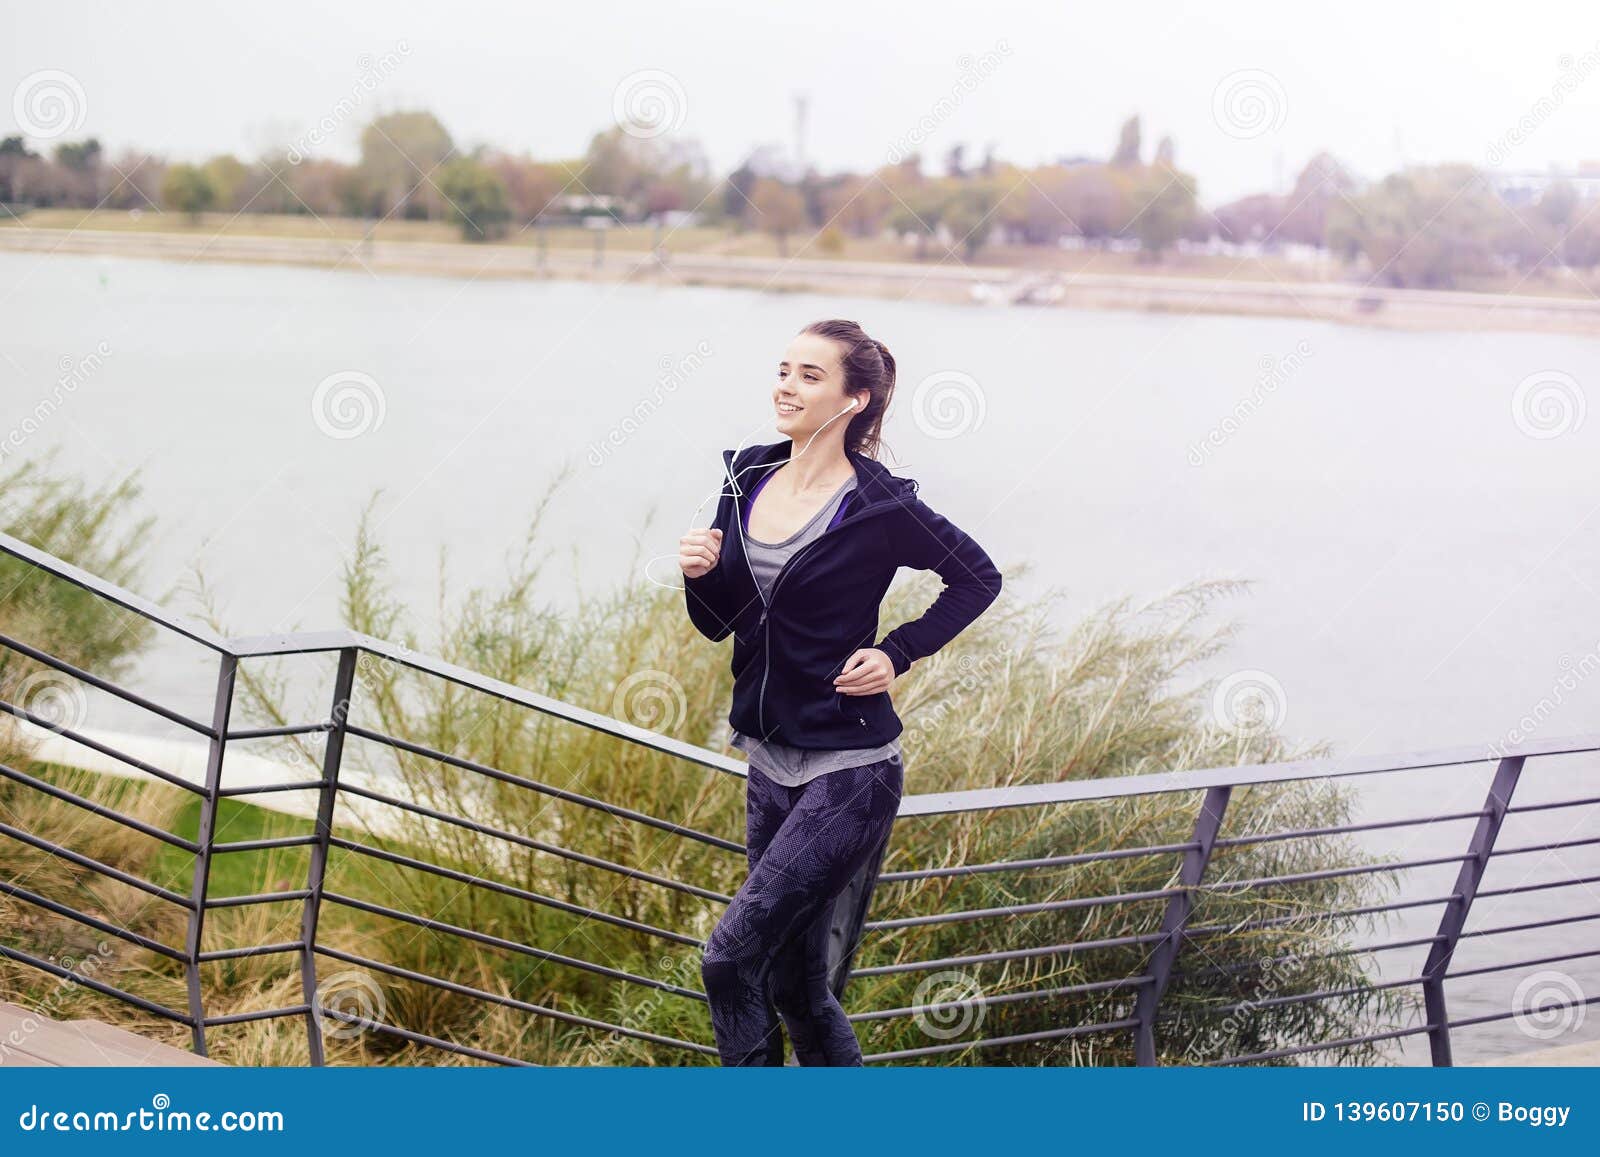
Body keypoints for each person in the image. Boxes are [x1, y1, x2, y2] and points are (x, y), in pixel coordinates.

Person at [678, 317, 1003, 1066]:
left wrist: (898, 652)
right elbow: (721, 623)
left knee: (729, 958)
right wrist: (699, 578)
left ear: (854, 399)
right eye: (783, 368)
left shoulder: (881, 508)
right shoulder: (745, 478)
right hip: (768, 761)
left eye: (810, 375)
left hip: (849, 772)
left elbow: (977, 576)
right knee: (794, 982)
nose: (786, 386)